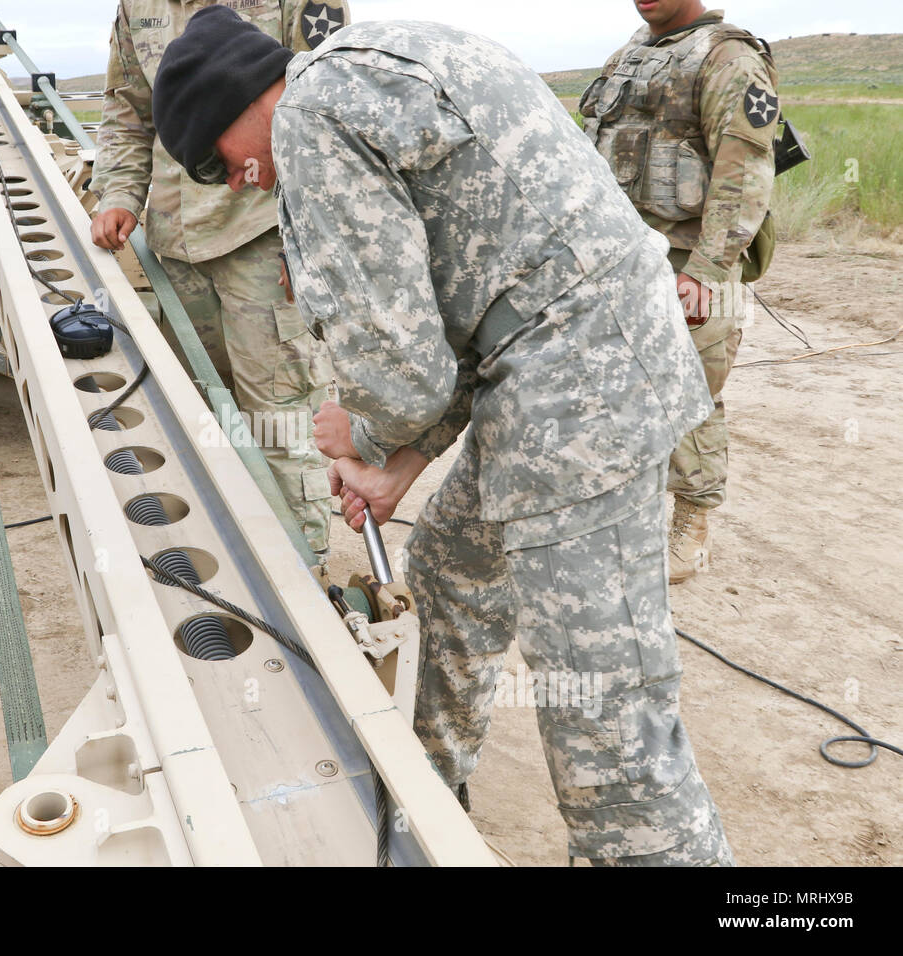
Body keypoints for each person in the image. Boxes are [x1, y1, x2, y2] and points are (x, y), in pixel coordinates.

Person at [152, 7, 735, 865]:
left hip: (581, 403)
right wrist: (400, 464)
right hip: (569, 360)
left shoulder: (311, 121)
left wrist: (359, 429)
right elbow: (478, 309)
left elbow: (401, 366)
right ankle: (426, 786)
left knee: (608, 725)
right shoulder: (384, 57)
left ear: (245, 100)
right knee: (454, 564)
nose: (238, 182)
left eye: (219, 158)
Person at [89, 0, 350, 562]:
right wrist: (118, 194)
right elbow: (129, 112)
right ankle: (222, 560)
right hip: (174, 245)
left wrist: (309, 240)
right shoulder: (138, 7)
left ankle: (302, 578)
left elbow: (322, 114)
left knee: (276, 421)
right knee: (195, 418)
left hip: (261, 234)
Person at [581, 1, 779, 583]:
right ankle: (623, 518)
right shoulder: (630, 55)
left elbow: (743, 172)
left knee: (691, 393)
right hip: (621, 257)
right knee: (613, 391)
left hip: (685, 261)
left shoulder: (729, 57)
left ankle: (690, 525)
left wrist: (709, 270)